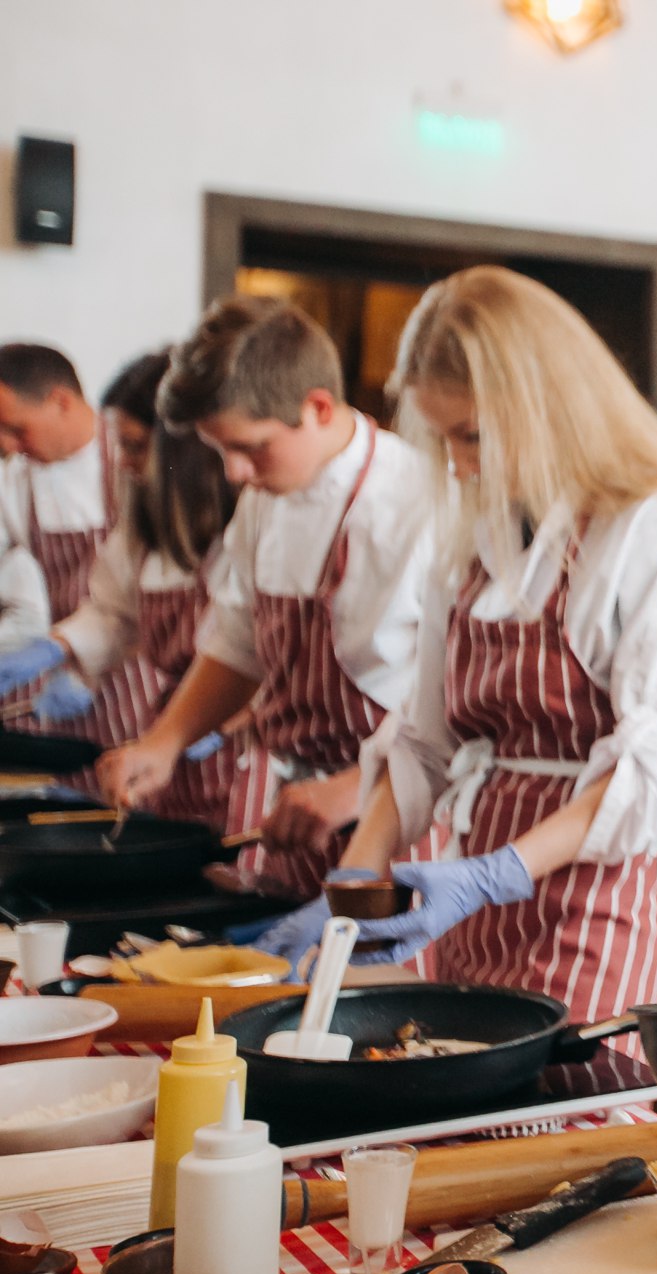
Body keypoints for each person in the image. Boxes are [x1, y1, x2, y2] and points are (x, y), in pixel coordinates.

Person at [249, 266, 657, 1036]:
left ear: (549, 410)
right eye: (443, 437)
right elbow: (424, 742)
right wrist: (355, 879)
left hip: (594, 900)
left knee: (558, 1132)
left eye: (472, 435)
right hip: (470, 894)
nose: (457, 463)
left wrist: (498, 873)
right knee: (460, 1103)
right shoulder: (476, 535)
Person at [97, 299, 436, 902]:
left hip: (398, 827)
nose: (232, 473)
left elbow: (452, 710)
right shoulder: (265, 499)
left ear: (318, 407)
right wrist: (164, 743)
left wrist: (353, 790)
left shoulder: (421, 503)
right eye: (219, 450)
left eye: (250, 447)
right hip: (291, 817)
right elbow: (237, 643)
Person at [0, 350, 269, 837]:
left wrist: (218, 716)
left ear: (185, 448)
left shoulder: (257, 525)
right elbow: (114, 611)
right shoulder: (145, 529)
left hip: (243, 761)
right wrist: (52, 648)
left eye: (136, 446)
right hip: (165, 755)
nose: (124, 461)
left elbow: (267, 655)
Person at [0, 343, 164, 747]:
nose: (8, 445)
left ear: (61, 402)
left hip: (153, 686)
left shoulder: (136, 461)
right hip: (71, 692)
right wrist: (50, 651)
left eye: (18, 428)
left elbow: (137, 599)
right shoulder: (16, 481)